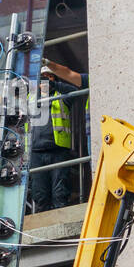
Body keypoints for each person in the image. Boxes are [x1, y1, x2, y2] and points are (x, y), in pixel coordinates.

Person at [30, 58, 90, 213]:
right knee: (39, 193)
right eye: (42, 78)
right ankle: (42, 220)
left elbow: (77, 91)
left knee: (60, 192)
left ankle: (60, 216)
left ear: (54, 78)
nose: (46, 81)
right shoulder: (30, 99)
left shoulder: (62, 96)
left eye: (49, 77)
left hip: (58, 150)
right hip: (35, 153)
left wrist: (54, 85)